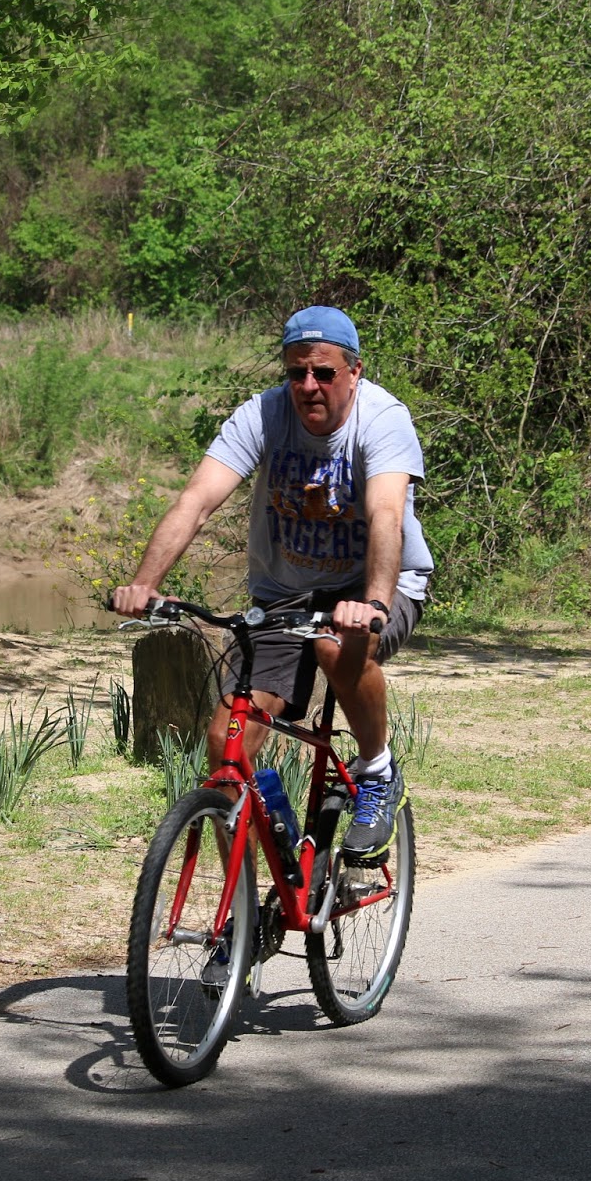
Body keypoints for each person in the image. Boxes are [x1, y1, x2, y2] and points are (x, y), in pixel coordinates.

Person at [113, 305, 433, 860]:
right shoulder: (262, 414)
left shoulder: (382, 419)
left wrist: (374, 603)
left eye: (324, 373)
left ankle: (377, 771)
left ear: (354, 372)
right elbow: (198, 500)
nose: (309, 386)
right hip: (285, 593)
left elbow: (386, 515)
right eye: (296, 373)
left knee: (339, 646)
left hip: (377, 585)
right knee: (226, 742)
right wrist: (145, 583)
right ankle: (246, 909)